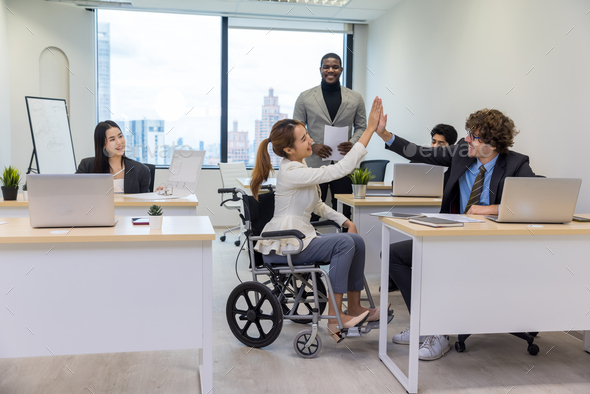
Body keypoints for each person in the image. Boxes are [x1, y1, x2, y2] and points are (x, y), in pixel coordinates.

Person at [376, 108, 536, 360]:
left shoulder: (516, 164)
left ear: (492, 144)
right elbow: (420, 151)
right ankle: (423, 323)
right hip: (453, 236)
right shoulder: (462, 152)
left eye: (474, 136)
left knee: (441, 265)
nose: (467, 139)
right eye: (469, 134)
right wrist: (384, 133)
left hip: (493, 245)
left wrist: (491, 208)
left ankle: (438, 332)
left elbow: (534, 199)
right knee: (394, 254)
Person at [251, 97, 384, 343]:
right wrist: (368, 131)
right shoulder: (292, 171)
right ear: (289, 149)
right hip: (285, 245)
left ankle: (354, 308)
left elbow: (318, 206)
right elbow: (338, 170)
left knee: (356, 240)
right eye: (304, 139)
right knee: (344, 244)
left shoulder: (299, 167)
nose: (311, 140)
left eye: (307, 135)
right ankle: (335, 319)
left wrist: (345, 221)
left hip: (298, 240)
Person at [293, 53, 367, 220]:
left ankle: (344, 244)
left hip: (344, 164)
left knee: (345, 212)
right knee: (310, 211)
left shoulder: (355, 98)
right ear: (320, 70)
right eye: (326, 67)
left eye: (335, 67)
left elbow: (362, 127)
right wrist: (313, 145)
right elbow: (296, 129)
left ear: (341, 69)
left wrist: (353, 143)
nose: (330, 70)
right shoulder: (305, 97)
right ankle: (309, 245)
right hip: (314, 165)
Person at [77, 120, 151, 194]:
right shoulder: (87, 166)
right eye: (112, 139)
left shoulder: (141, 170)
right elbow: (74, 194)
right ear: (102, 144)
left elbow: (144, 202)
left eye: (120, 136)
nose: (119, 142)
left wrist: (155, 196)